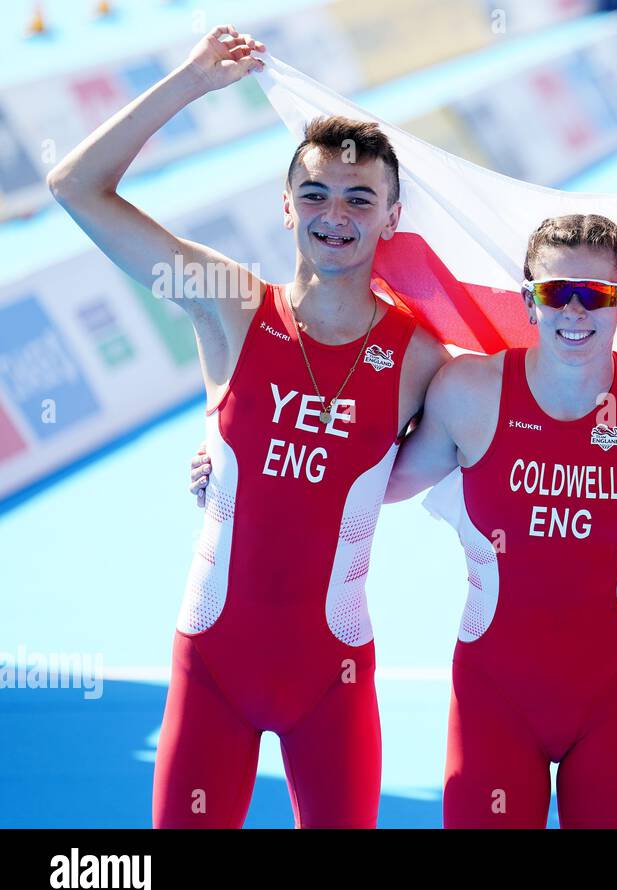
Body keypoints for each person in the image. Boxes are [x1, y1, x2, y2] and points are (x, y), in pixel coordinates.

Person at [48, 26, 447, 827]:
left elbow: (506, 421)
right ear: (287, 203)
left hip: (331, 679)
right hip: (213, 669)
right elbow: (75, 187)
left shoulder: (423, 360)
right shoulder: (228, 303)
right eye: (316, 194)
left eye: (360, 199)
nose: (335, 216)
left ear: (392, 216)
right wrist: (188, 82)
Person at [382, 214, 617, 827]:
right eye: (555, 292)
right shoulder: (469, 390)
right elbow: (374, 485)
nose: (573, 311)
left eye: (594, 295)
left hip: (615, 698)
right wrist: (238, 466)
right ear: (530, 300)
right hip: (493, 694)